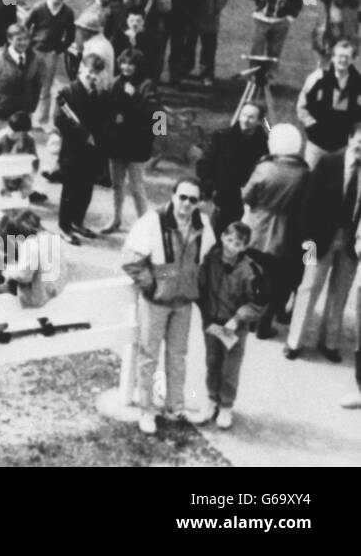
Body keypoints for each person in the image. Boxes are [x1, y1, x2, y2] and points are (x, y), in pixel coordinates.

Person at [122, 178, 216, 435]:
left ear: (199, 203)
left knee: (177, 356)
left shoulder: (202, 225)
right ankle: (146, 409)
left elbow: (206, 261)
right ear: (173, 195)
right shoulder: (152, 221)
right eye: (183, 197)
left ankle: (175, 407)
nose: (186, 204)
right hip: (156, 302)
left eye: (193, 200)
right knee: (148, 356)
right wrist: (151, 287)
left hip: (183, 302)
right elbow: (130, 260)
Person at [285, 121, 361, 362]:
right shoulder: (329, 162)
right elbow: (308, 203)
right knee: (308, 289)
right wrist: (308, 241)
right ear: (350, 138)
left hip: (350, 242)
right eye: (360, 140)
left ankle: (329, 343)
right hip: (318, 239)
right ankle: (294, 342)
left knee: (339, 295)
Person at [240, 123, 309, 340]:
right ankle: (264, 323)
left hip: (256, 228)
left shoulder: (265, 168)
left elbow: (247, 196)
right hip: (285, 233)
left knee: (253, 277)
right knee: (276, 282)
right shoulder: (304, 173)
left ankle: (248, 320)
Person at [197, 221, 267, 429]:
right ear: (222, 238)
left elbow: (259, 301)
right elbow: (201, 285)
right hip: (212, 322)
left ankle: (226, 405)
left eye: (237, 244)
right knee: (212, 362)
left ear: (244, 247)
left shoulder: (251, 270)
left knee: (230, 367)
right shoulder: (210, 260)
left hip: (234, 326)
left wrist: (237, 318)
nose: (231, 246)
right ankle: (211, 399)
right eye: (228, 240)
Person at [55, 53, 111, 244]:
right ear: (81, 70)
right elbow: (60, 119)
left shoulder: (101, 93)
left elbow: (105, 119)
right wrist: (83, 133)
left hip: (92, 151)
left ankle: (77, 222)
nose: (92, 76)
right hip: (73, 150)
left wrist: (100, 136)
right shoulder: (68, 91)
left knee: (86, 189)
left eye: (97, 73)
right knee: (70, 190)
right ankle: (64, 226)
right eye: (89, 72)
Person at [104, 49, 160, 234]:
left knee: (136, 186)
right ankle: (116, 218)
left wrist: (158, 142)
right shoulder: (115, 82)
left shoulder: (147, 85)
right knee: (116, 184)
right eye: (123, 63)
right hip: (117, 142)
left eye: (131, 64)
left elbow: (158, 114)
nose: (126, 67)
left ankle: (144, 225)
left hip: (138, 143)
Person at [197, 102, 269, 236]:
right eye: (244, 115)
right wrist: (211, 188)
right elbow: (204, 165)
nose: (246, 120)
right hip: (222, 197)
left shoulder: (264, 144)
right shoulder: (221, 136)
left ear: (259, 121)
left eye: (251, 117)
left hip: (249, 201)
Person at [296, 39, 361, 168]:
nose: (343, 60)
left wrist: (356, 137)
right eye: (340, 56)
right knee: (310, 178)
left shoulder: (358, 83)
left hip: (342, 146)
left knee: (335, 183)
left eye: (347, 57)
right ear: (333, 57)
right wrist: (312, 126)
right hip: (316, 144)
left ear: (353, 59)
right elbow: (301, 106)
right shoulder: (318, 78)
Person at [27, 0, 77, 130]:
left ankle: (42, 120)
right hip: (35, 51)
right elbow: (25, 26)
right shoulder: (38, 8)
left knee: (46, 88)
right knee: (29, 84)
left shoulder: (68, 13)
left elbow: (70, 36)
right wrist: (29, 45)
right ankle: (27, 117)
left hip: (51, 54)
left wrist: (59, 49)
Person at [0, 24, 40, 136]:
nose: (23, 43)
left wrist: (31, 107)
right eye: (19, 39)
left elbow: (36, 85)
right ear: (9, 39)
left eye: (26, 39)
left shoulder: (34, 59)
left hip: (21, 117)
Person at [191, 0, 231, 87]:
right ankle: (183, 71)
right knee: (187, 45)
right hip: (190, 16)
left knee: (208, 48)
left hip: (209, 18)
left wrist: (216, 8)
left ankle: (206, 75)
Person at [0, 111, 44, 203]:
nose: (12, 134)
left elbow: (34, 163)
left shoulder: (29, 140)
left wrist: (27, 184)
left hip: (19, 179)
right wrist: (1, 187)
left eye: (17, 133)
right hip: (1, 179)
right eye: (11, 129)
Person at [313, 0, 361, 66]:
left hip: (348, 30)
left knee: (345, 61)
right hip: (328, 30)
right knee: (325, 60)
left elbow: (355, 3)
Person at [111, 9, 160, 83]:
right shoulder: (120, 36)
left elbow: (152, 62)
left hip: (142, 77)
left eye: (138, 21)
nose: (135, 24)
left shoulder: (151, 38)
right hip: (123, 72)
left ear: (143, 21)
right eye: (132, 20)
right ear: (127, 21)